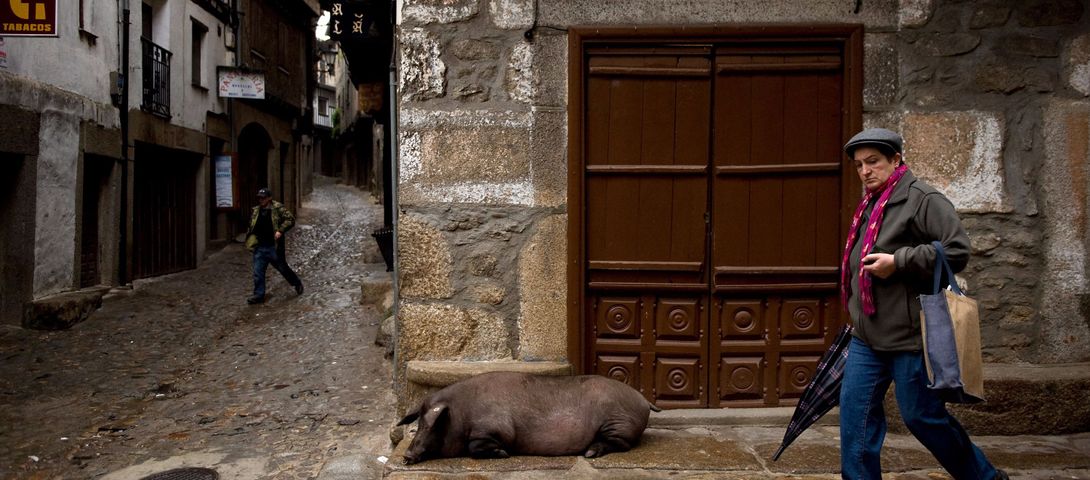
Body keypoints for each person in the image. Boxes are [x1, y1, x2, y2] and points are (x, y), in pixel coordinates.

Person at [837, 128, 1007, 480]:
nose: (865, 171)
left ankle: (984, 477)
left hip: (911, 337)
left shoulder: (924, 199)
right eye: (859, 165)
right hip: (867, 335)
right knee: (855, 419)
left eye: (873, 162)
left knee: (922, 418)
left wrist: (898, 261)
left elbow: (957, 250)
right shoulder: (872, 202)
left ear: (895, 159)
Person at [245, 188, 303, 304]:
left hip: (274, 247)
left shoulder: (277, 208)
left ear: (269, 198)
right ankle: (259, 295)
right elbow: (251, 226)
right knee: (258, 272)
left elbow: (290, 219)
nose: (261, 200)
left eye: (263, 198)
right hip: (260, 246)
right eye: (259, 198)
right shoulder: (256, 211)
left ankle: (297, 283)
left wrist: (280, 231)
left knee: (283, 268)